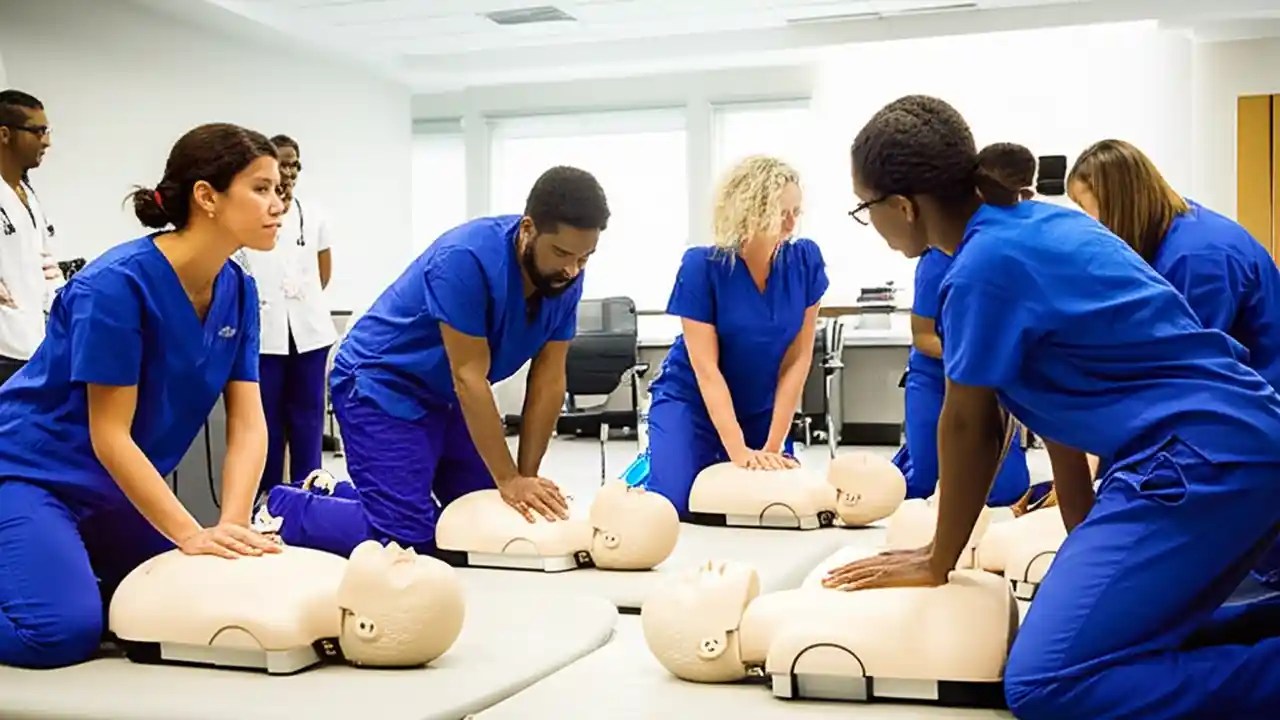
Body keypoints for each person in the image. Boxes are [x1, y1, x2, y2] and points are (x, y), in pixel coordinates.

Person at [823, 94, 1280, 719]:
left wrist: (938, 559)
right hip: (1225, 445)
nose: (869, 222)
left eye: (864, 208)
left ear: (902, 207)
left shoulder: (982, 269)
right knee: (1107, 639)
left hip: (1196, 461)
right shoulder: (1041, 225)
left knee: (1048, 684)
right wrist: (1086, 535)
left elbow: (970, 426)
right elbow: (1061, 404)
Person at [0, 123, 285, 670]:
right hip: (31, 474)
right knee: (59, 633)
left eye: (279, 191)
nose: (278, 205)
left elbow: (248, 421)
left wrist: (231, 526)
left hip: (111, 491)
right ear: (207, 196)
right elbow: (109, 434)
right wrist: (189, 534)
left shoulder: (239, 289)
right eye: (261, 188)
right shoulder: (116, 285)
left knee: (171, 604)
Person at [260, 166, 609, 557]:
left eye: (585, 257)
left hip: (446, 395)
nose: (572, 269)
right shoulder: (465, 259)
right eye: (562, 253)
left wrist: (524, 478)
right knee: (406, 540)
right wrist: (508, 477)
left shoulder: (565, 275)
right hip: (382, 385)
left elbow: (548, 381)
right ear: (528, 229)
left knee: (478, 523)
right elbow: (468, 376)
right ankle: (284, 507)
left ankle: (331, 493)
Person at [1069, 139, 1280, 591]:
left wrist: (1108, 471)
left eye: (1090, 212)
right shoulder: (1174, 234)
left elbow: (1179, 383)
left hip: (1254, 421)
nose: (1088, 227)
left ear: (1120, 201)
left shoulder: (1197, 258)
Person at [640, 155, 828, 518]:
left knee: (768, 504)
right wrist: (738, 450)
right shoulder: (701, 266)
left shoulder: (805, 260)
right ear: (751, 211)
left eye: (796, 212)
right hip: (691, 398)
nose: (791, 224)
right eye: (781, 212)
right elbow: (706, 369)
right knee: (679, 503)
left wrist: (773, 445)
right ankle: (650, 463)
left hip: (760, 405)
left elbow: (798, 359)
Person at [1069, 139, 1280, 392]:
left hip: (1257, 399)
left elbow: (1187, 357)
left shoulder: (1199, 257)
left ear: (1116, 202)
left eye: (1084, 207)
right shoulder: (1175, 225)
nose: (1087, 221)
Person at [888, 143, 1035, 505]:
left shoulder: (1015, 250)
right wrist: (973, 351)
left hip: (989, 383)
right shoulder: (936, 261)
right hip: (935, 378)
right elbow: (923, 336)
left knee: (1005, 491)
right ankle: (909, 458)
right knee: (925, 484)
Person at [236, 134, 336, 492]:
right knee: (267, 421)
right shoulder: (249, 216)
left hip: (309, 333)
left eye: (295, 164)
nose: (290, 171)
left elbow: (323, 272)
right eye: (283, 163)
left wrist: (300, 298)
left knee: (309, 418)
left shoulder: (315, 215)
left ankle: (310, 492)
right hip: (265, 336)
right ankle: (268, 495)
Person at [0, 89, 65, 386]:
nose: (47, 141)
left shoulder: (27, 195)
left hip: (34, 345)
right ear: (5, 134)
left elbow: (44, 262)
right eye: (37, 131)